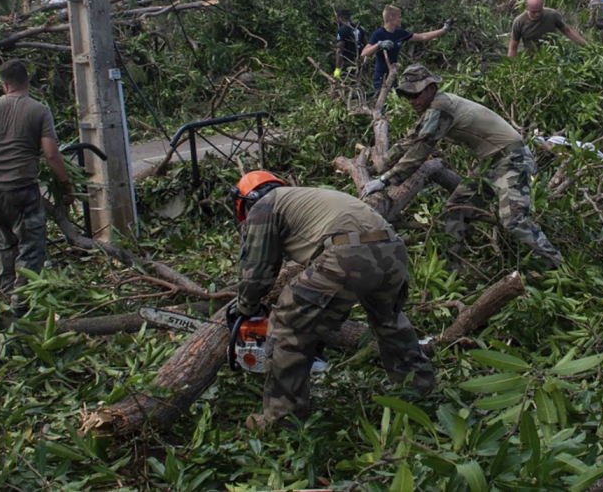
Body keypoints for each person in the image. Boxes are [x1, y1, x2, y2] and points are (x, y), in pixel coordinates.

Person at [229, 170, 435, 430]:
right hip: (393, 249)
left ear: (245, 201)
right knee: (389, 321)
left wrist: (246, 308)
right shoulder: (303, 197)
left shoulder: (263, 207)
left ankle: (281, 420)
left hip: (347, 255)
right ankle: (420, 388)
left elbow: (257, 270)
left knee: (287, 325)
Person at [363, 65, 564, 269]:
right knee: (456, 209)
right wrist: (378, 165)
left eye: (415, 94)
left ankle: (556, 264)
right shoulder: (433, 108)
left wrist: (384, 181)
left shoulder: (441, 107)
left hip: (512, 159)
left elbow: (420, 151)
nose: (412, 101)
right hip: (491, 163)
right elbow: (410, 140)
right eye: (407, 96)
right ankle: (452, 270)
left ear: (431, 88)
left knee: (513, 219)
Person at [0, 59, 73, 311]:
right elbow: (50, 154)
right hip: (21, 186)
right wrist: (65, 183)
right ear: (28, 81)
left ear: (4, 85)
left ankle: (6, 295)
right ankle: (22, 301)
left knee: (4, 241)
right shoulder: (39, 110)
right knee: (32, 246)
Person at [360, 5, 449, 94]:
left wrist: (443, 29)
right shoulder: (379, 34)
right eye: (399, 17)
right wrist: (379, 44)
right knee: (382, 101)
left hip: (393, 74)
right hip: (381, 76)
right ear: (391, 18)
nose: (400, 19)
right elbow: (364, 53)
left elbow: (422, 36)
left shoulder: (400, 33)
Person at [508, 0, 588, 57]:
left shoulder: (551, 15)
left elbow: (567, 31)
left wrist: (587, 46)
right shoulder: (519, 22)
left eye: (539, 11)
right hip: (533, 60)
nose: (537, 14)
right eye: (534, 12)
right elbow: (513, 46)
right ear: (527, 7)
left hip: (553, 56)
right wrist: (511, 68)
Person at [334, 8, 363, 77]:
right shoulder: (358, 28)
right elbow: (366, 43)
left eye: (338, 18)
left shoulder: (342, 30)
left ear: (342, 17)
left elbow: (339, 50)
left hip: (347, 64)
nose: (337, 20)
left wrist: (337, 69)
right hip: (358, 62)